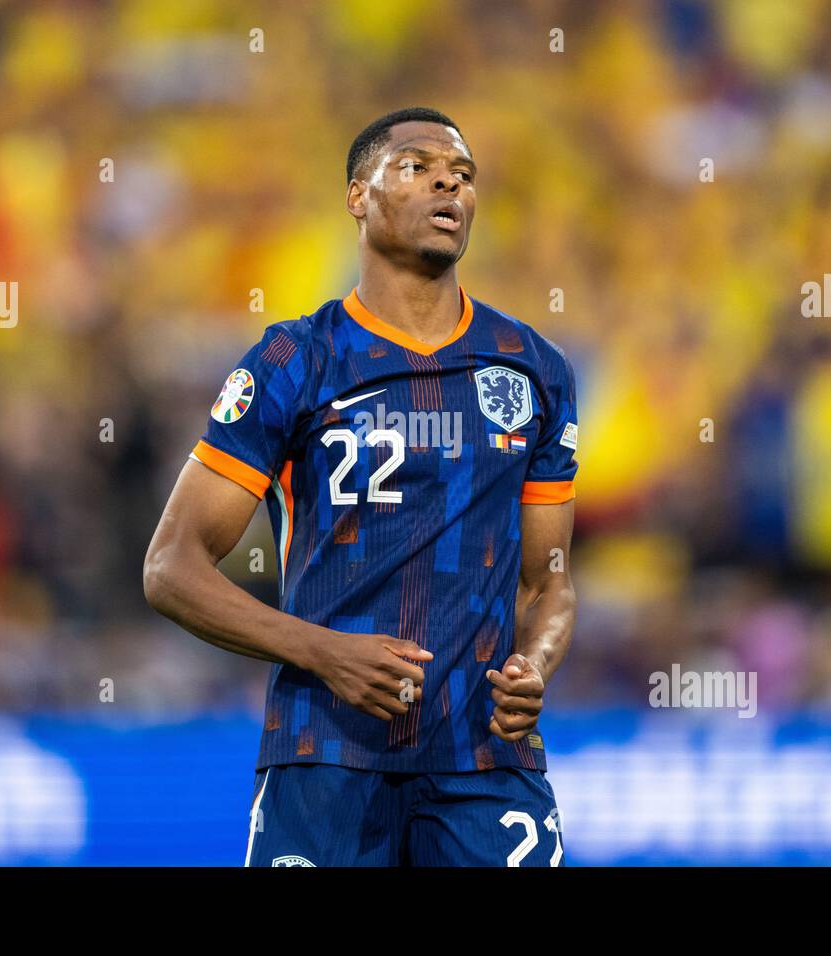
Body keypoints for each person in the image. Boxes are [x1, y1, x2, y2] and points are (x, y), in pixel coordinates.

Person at [143, 107, 578, 866]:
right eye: (417, 164)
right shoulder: (293, 361)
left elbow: (551, 584)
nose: (449, 179)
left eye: (464, 175)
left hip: (485, 760)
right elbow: (170, 567)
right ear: (357, 195)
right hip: (325, 757)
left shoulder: (531, 369)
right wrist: (324, 651)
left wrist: (534, 665)